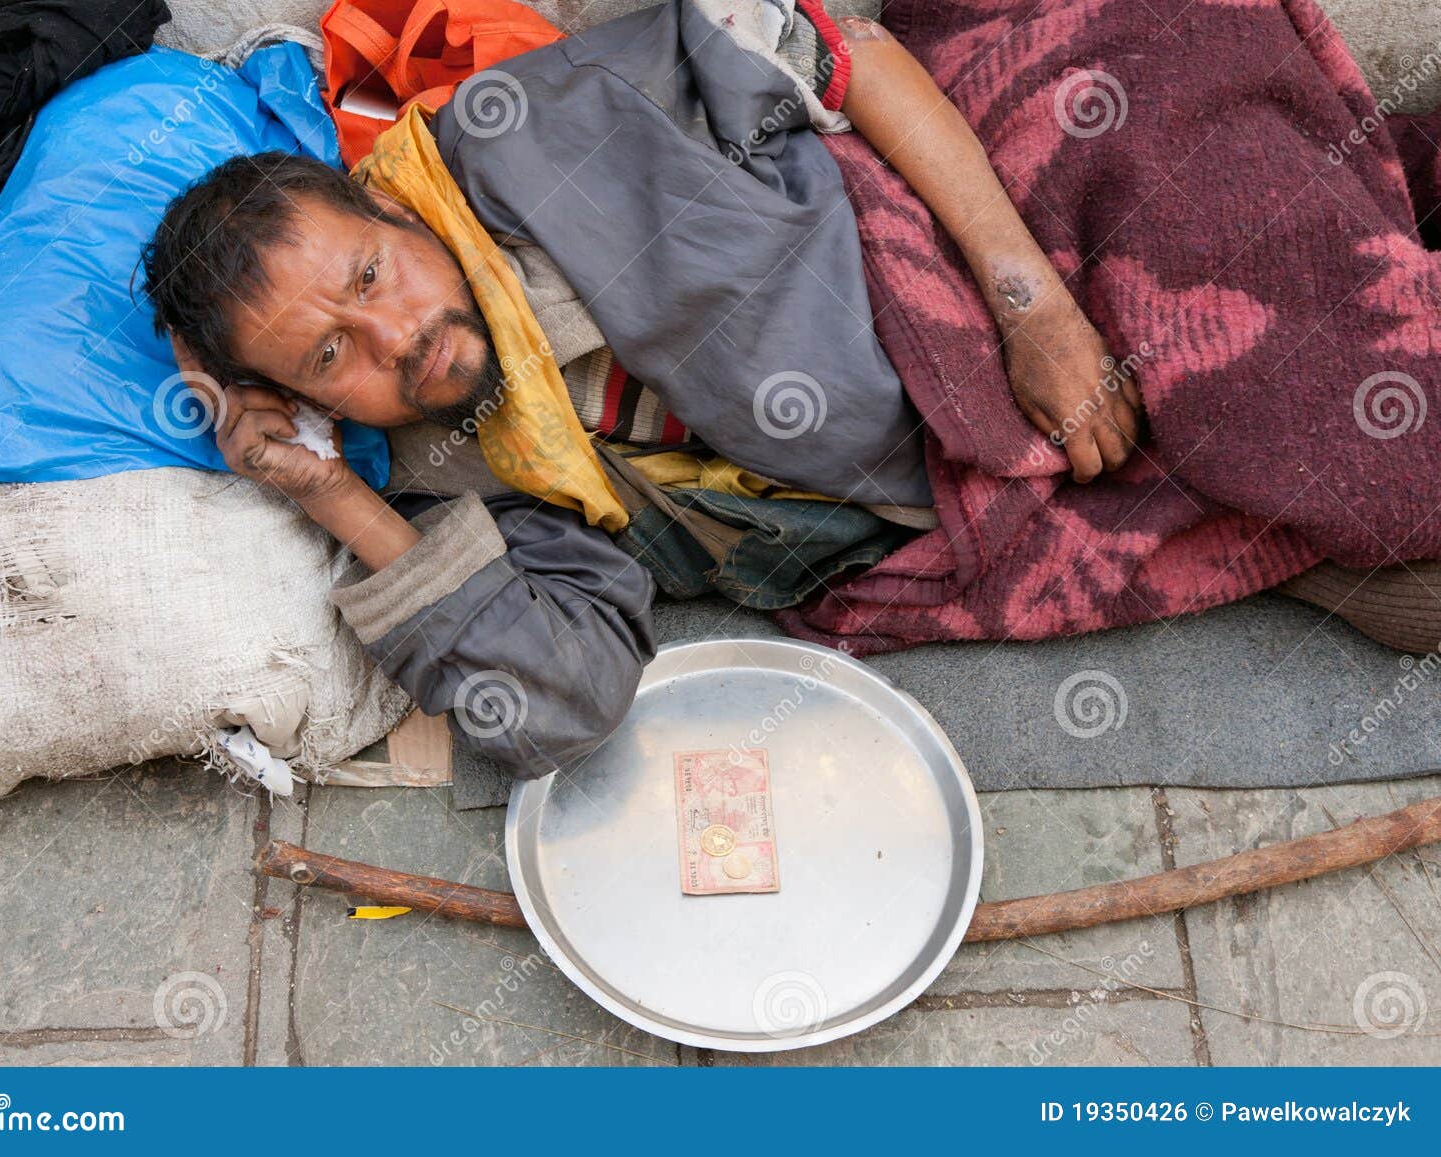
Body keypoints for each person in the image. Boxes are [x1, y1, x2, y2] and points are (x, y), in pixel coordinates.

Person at [138, 2, 1152, 778]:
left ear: (384, 204)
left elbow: (851, 55)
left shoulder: (530, 128)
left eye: (369, 275)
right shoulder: (444, 479)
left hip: (986, 274)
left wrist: (1032, 306)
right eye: (327, 359)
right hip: (958, 490)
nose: (399, 337)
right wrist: (328, 493)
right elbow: (560, 706)